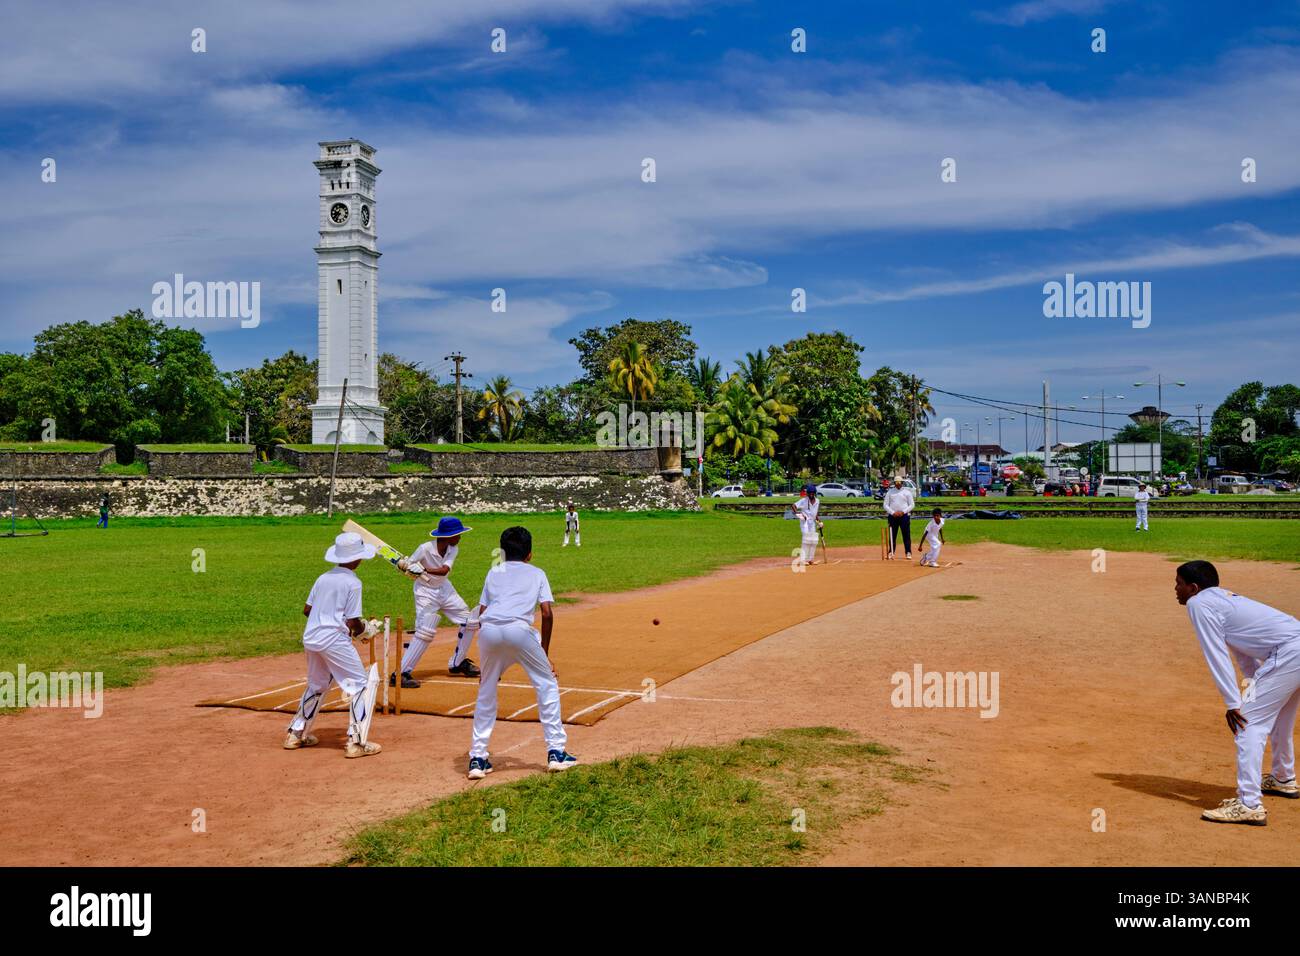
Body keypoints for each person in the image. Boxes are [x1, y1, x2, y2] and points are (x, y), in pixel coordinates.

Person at [1176, 560, 1300, 825]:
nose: (1175, 589)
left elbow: (1215, 653)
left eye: (1179, 583)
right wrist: (1252, 689)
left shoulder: (1199, 603)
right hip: (1294, 650)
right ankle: (1282, 778)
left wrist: (1235, 703)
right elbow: (1242, 651)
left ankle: (1249, 804)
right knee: (1279, 719)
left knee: (1247, 724)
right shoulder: (1221, 600)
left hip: (1291, 653)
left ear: (1194, 587)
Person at [467, 526, 577, 779]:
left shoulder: (494, 571)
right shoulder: (537, 573)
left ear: (503, 553)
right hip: (518, 630)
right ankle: (556, 752)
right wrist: (545, 655)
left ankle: (477, 758)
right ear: (529, 554)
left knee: (486, 689)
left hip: (490, 631)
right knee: (546, 683)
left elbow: (482, 612)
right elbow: (547, 613)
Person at [284, 531, 382, 759]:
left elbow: (308, 610)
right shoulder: (353, 582)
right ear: (358, 558)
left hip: (312, 638)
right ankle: (356, 743)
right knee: (360, 685)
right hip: (333, 640)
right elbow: (353, 621)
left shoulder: (323, 577)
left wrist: (333, 620)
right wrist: (364, 631)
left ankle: (295, 734)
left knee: (317, 685)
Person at [394, 516, 478, 688]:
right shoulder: (424, 549)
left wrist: (423, 569)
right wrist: (406, 566)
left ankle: (457, 662)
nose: (460, 537)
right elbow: (408, 568)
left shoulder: (453, 548)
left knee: (470, 621)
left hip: (445, 589)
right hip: (425, 592)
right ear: (448, 536)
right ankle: (400, 673)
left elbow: (444, 570)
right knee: (425, 632)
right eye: (458, 534)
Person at [882, 479, 915, 560]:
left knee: (906, 535)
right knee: (892, 535)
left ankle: (908, 552)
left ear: (902, 483)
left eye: (899, 482)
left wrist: (903, 512)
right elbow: (885, 505)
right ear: (894, 483)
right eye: (896, 482)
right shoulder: (890, 492)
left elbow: (912, 505)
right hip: (893, 517)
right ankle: (891, 552)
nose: (898, 484)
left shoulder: (907, 492)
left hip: (904, 516)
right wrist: (893, 512)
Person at [794, 483, 821, 567]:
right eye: (810, 493)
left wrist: (819, 522)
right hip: (804, 523)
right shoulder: (804, 500)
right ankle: (803, 560)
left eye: (813, 493)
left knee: (813, 541)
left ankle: (810, 559)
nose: (811, 495)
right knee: (806, 540)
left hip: (812, 523)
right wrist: (798, 514)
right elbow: (794, 506)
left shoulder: (817, 501)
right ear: (808, 493)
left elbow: (815, 513)